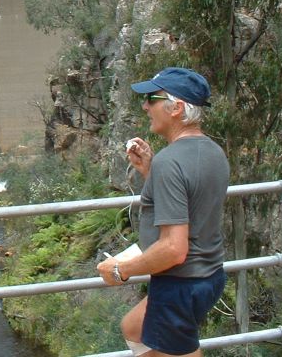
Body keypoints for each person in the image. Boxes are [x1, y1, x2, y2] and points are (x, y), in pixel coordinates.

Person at [97, 67, 229, 357]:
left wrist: (120, 270)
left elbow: (173, 249)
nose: (145, 106)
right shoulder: (212, 152)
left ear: (177, 107)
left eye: (151, 98)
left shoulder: (171, 162)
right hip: (209, 276)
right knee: (134, 327)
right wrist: (151, 172)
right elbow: (190, 199)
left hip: (179, 284)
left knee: (180, 351)